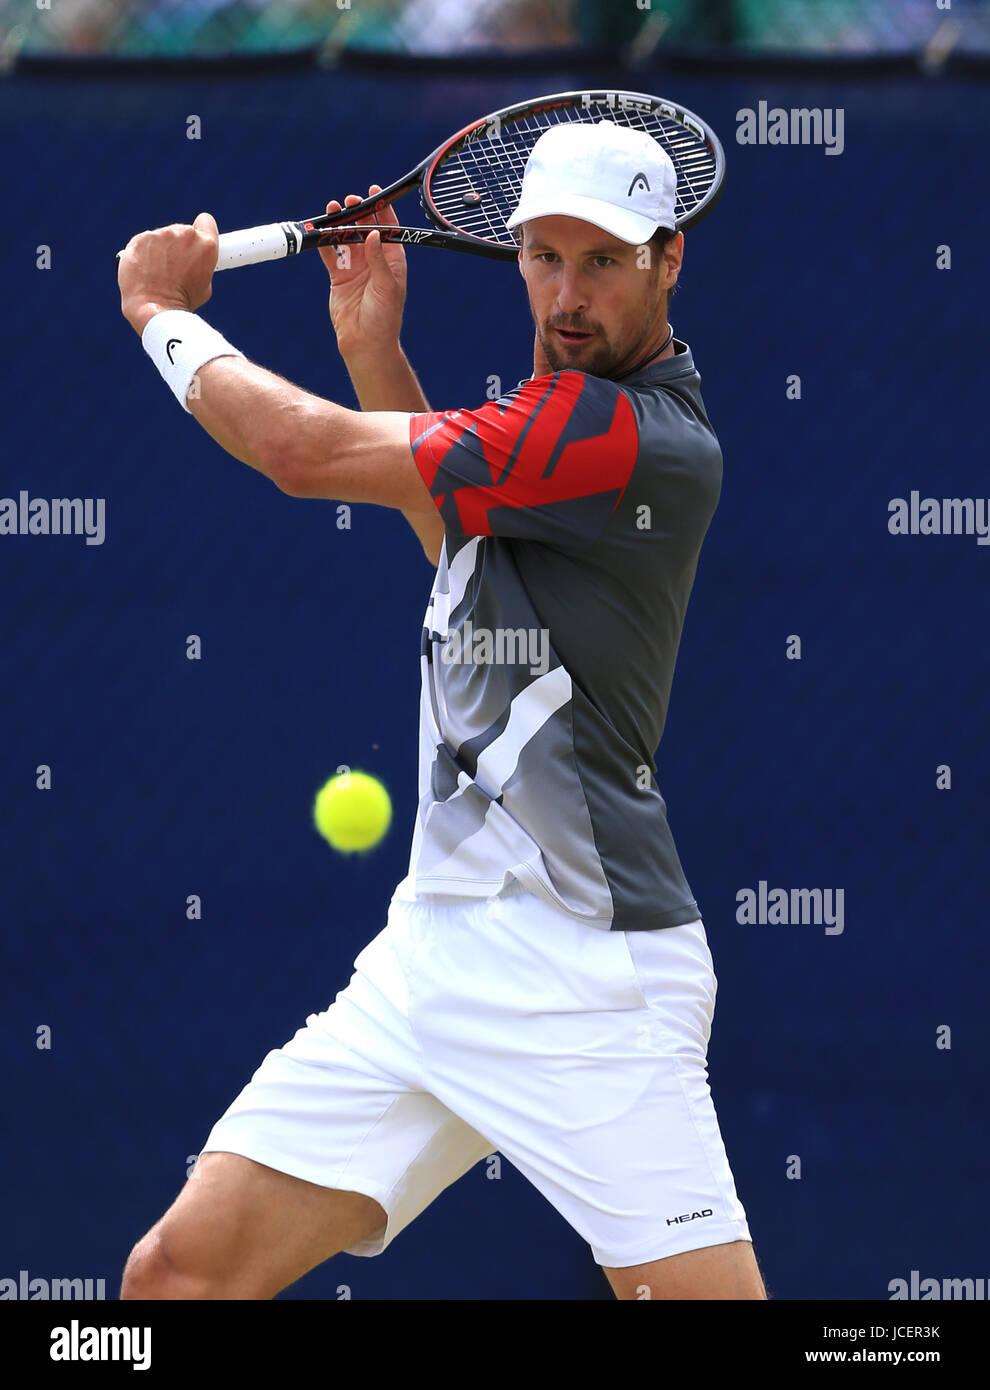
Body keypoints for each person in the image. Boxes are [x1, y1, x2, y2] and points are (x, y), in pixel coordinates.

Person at [116, 119, 766, 1300]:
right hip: (434, 954)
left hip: (588, 973)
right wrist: (374, 348)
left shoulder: (625, 433)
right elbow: (461, 550)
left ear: (671, 261)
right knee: (177, 1280)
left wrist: (160, 311)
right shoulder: (562, 412)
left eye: (605, 263)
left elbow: (297, 453)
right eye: (545, 257)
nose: (567, 297)